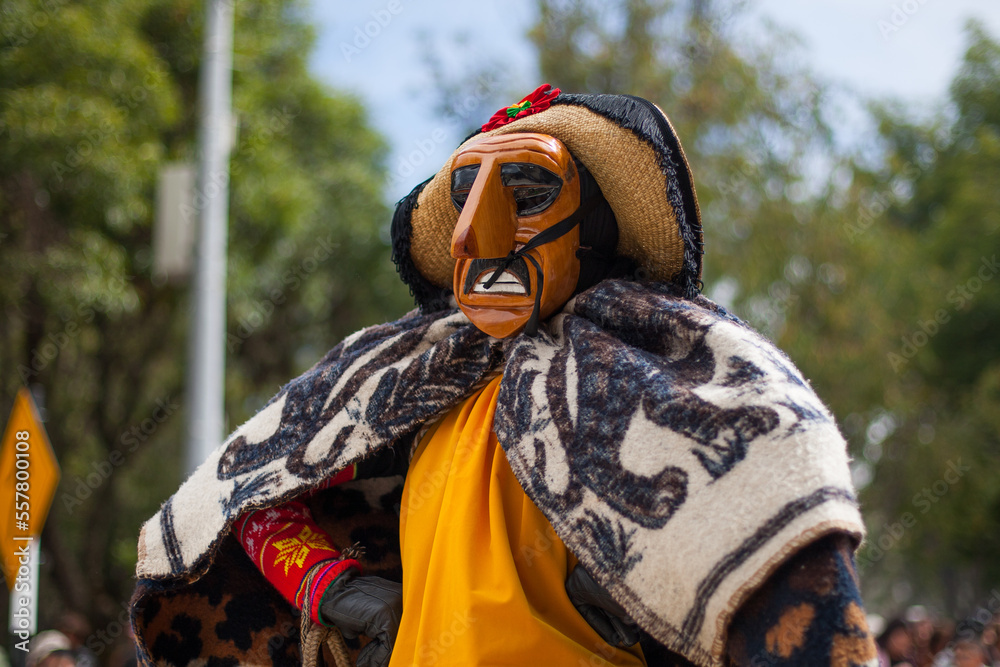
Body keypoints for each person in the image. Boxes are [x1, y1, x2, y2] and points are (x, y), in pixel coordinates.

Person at [132, 85, 876, 666]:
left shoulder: (661, 374)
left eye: (523, 193)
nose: (473, 232)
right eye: (464, 196)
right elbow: (247, 498)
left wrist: (624, 586)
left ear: (596, 232)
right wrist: (343, 593)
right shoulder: (408, 388)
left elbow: (779, 497)